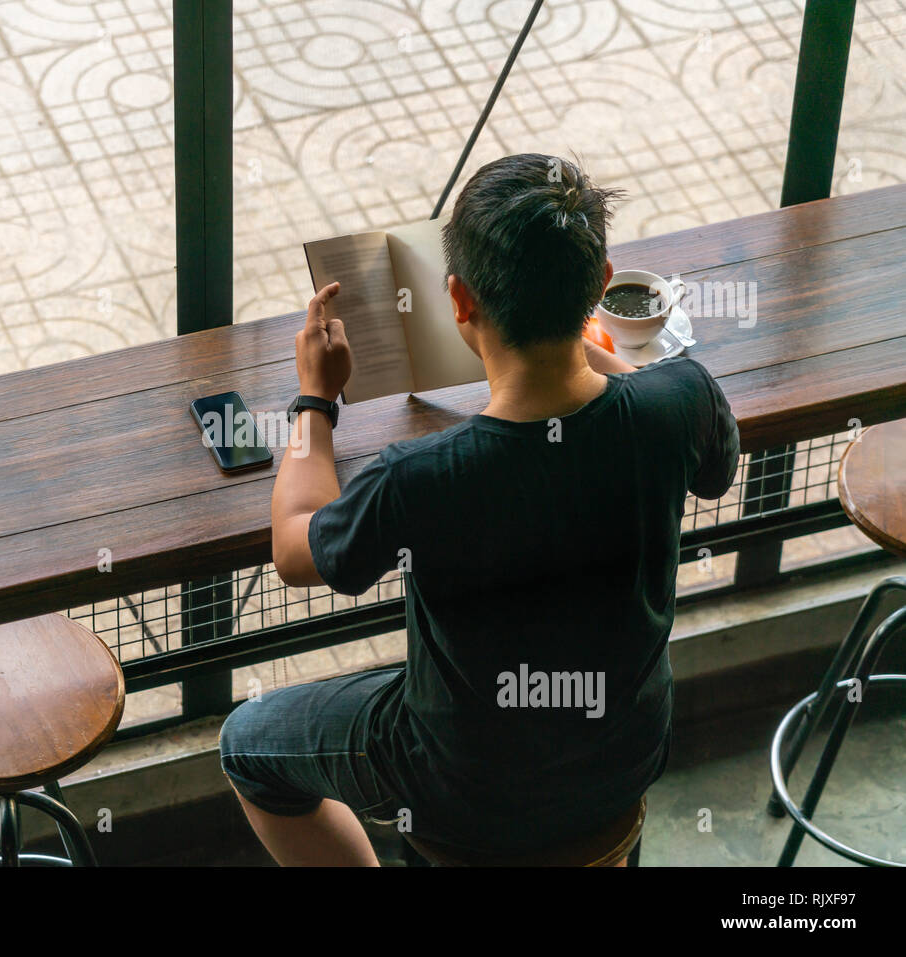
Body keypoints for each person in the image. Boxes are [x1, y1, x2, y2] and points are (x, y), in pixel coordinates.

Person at [218, 153, 740, 866]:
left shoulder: (422, 475)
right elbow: (709, 465)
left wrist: (314, 398)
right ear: (601, 285)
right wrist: (587, 355)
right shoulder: (683, 399)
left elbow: (295, 548)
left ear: (460, 302)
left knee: (247, 743)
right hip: (625, 754)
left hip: (463, 791)